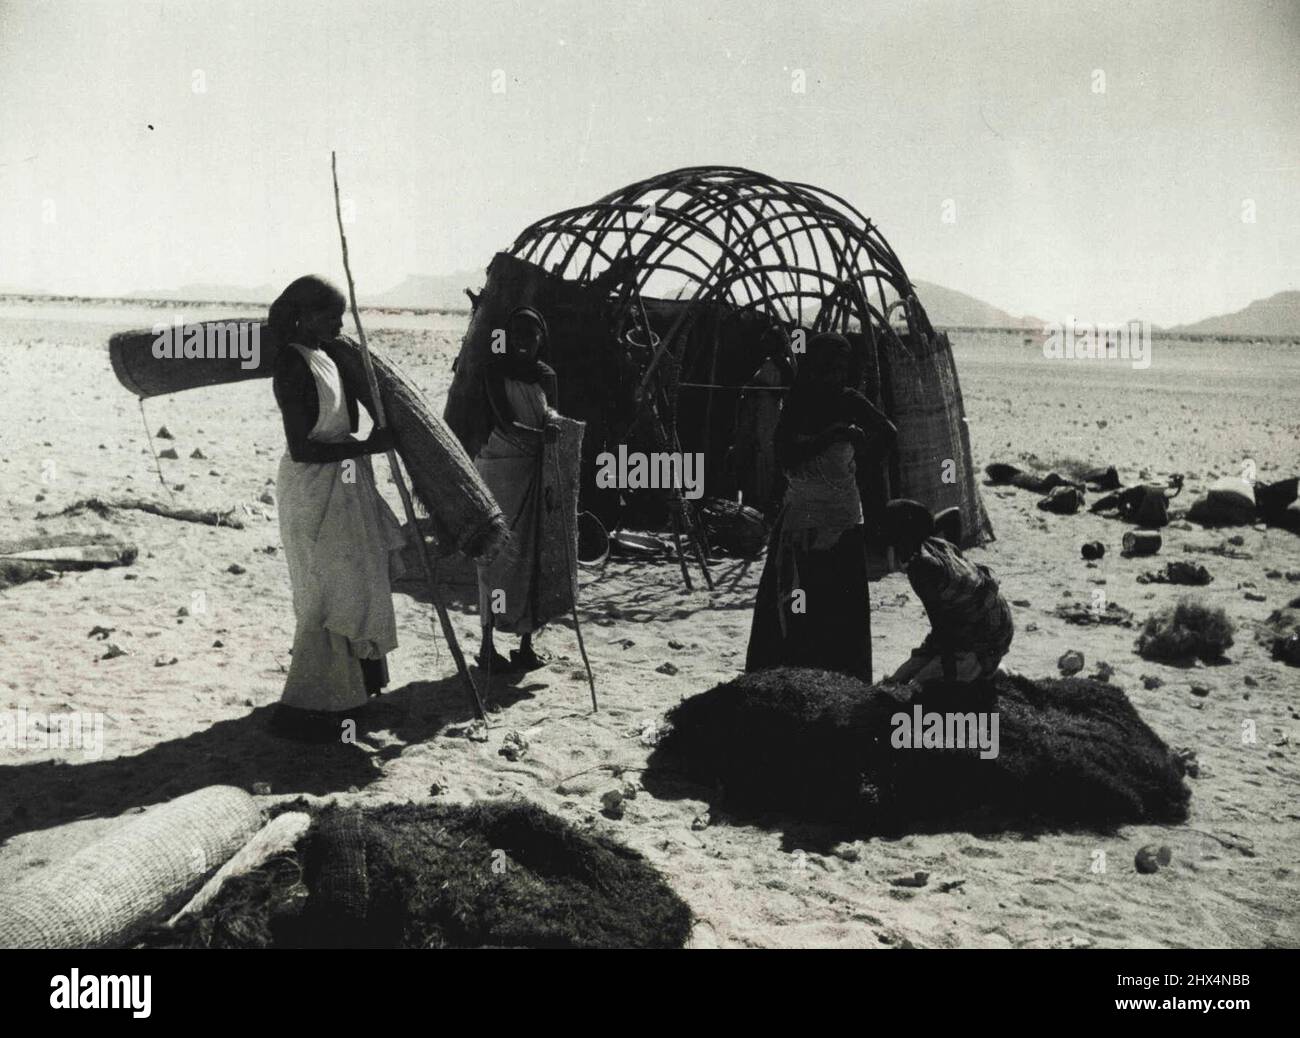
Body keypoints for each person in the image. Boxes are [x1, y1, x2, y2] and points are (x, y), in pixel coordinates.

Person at [267, 275, 406, 740]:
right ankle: (311, 705)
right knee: (326, 589)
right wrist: (367, 447)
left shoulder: (329, 356)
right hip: (312, 489)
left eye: (342, 316)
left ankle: (355, 691)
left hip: (346, 481)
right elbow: (304, 448)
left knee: (359, 578)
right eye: (331, 316)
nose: (340, 325)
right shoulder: (292, 363)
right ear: (304, 315)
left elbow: (347, 423)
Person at [745, 332, 897, 681]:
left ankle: (840, 682)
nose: (834, 376)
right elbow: (786, 455)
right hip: (801, 520)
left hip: (841, 520)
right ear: (813, 368)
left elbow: (888, 433)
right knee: (796, 605)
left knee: (838, 610)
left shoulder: (850, 400)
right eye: (828, 368)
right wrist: (833, 436)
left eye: (841, 368)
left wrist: (861, 467)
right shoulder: (798, 402)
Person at [475, 306, 563, 672]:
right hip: (501, 469)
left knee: (531, 557)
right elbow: (505, 421)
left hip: (535, 469)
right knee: (497, 558)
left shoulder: (546, 375)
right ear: (507, 338)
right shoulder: (493, 370)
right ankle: (487, 644)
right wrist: (543, 436)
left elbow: (553, 412)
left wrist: (553, 421)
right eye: (517, 334)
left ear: (542, 339)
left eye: (532, 334)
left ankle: (526, 644)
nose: (524, 341)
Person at [881, 499, 1013, 687]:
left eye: (885, 527)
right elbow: (954, 514)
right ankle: (973, 667)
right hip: (975, 618)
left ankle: (985, 668)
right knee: (895, 680)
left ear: (901, 535)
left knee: (917, 685)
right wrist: (952, 552)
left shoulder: (922, 569)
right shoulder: (926, 542)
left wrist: (948, 671)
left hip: (988, 631)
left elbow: (941, 627)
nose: (878, 531)